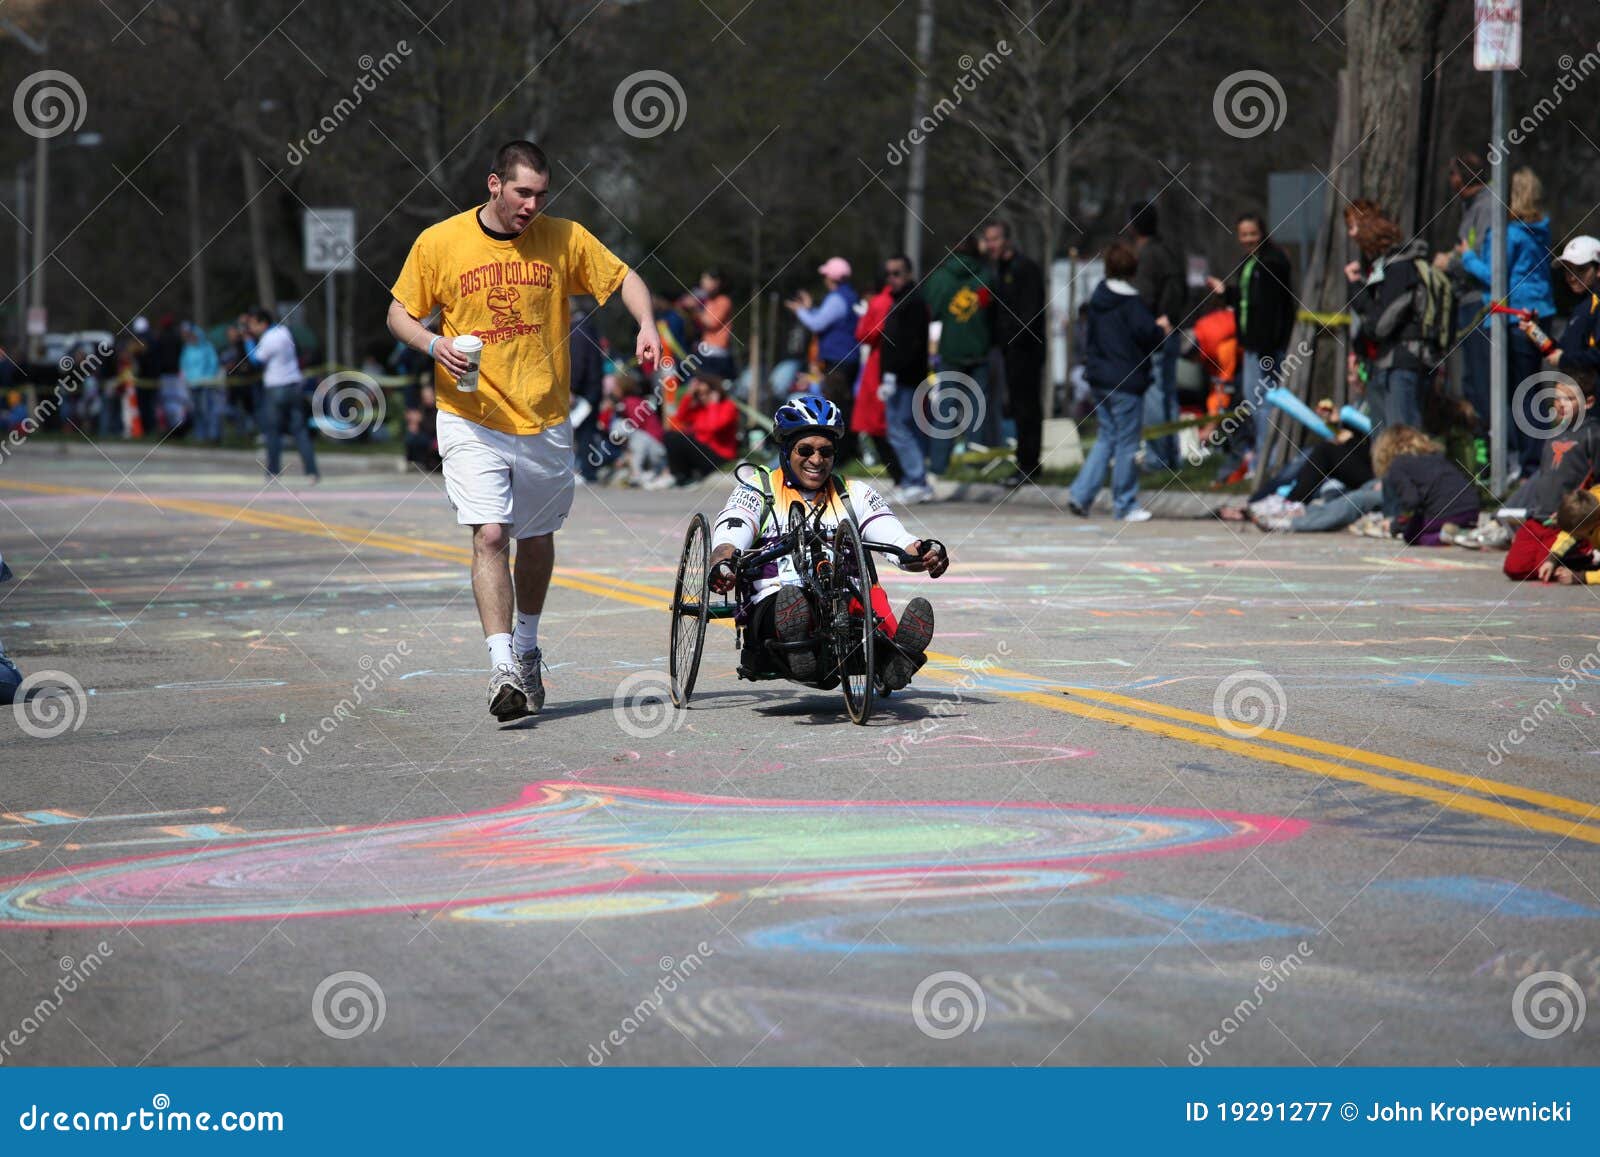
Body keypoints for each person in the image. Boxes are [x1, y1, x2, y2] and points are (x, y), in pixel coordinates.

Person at [386, 139, 662, 722]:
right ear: (494, 184)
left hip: (544, 418)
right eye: (522, 192)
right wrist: (433, 344)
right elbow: (398, 313)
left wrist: (647, 325)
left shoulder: (564, 239)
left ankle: (528, 647)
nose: (532, 205)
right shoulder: (440, 242)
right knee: (491, 534)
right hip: (470, 415)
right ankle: (502, 666)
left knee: (535, 539)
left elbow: (626, 278)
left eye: (541, 194)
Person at [706, 396, 949, 692]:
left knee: (867, 602)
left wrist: (923, 552)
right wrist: (724, 563)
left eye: (826, 451)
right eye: (805, 450)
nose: (817, 460)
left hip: (843, 601)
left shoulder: (853, 493)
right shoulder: (759, 489)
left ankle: (894, 659)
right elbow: (732, 530)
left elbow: (895, 538)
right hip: (774, 601)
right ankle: (800, 649)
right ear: (786, 449)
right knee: (792, 601)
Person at [1459, 166, 1556, 478]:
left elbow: (1493, 275)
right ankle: (1534, 460)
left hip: (1515, 320)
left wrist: (1467, 256)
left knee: (1513, 392)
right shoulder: (1542, 231)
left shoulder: (1507, 234)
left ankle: (1524, 463)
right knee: (1532, 388)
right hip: (1541, 314)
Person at [1068, 241, 1172, 521]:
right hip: (1125, 381)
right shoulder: (1132, 304)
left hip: (1099, 378)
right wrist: (1161, 329)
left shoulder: (1098, 299)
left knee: (1106, 437)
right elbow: (1149, 337)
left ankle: (1080, 495)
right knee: (1127, 443)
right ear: (1133, 270)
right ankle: (1124, 503)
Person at [1206, 213, 1295, 473]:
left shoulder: (1273, 262)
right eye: (1243, 235)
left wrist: (1272, 345)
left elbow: (1274, 308)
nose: (1248, 239)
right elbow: (1247, 300)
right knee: (1252, 400)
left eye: (1253, 234)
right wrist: (1225, 293)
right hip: (1250, 344)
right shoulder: (1248, 262)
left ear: (1263, 233)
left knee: (1265, 402)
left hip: (1268, 345)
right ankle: (1262, 456)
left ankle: (1270, 459)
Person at [1345, 201, 1431, 433]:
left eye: (1353, 226)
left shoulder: (1399, 267)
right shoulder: (1377, 268)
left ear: (1370, 227)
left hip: (1400, 366)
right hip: (1380, 366)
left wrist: (1356, 289)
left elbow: (1380, 325)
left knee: (1402, 441)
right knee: (1383, 444)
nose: (1350, 234)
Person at [979, 219, 1048, 487]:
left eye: (995, 239)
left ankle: (1029, 464)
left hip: (1026, 350)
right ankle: (1024, 462)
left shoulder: (1025, 268)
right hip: (1009, 350)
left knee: (1027, 407)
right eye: (988, 240)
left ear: (1007, 240)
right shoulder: (997, 270)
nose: (991, 245)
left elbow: (1030, 313)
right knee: (1017, 408)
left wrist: (1012, 338)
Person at [1434, 153, 1494, 453]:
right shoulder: (1468, 207)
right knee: (1470, 380)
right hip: (1466, 302)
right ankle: (1479, 448)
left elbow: (1486, 261)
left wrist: (1452, 262)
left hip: (1481, 304)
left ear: (1463, 177)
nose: (1450, 181)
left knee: (1483, 381)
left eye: (1452, 174)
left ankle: (1494, 448)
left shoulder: (1488, 206)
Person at [923, 235, 994, 474]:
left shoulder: (940, 278)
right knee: (977, 409)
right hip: (980, 350)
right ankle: (975, 464)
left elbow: (931, 312)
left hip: (950, 351)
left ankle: (938, 466)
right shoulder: (986, 276)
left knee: (945, 410)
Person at [867, 254, 933, 504]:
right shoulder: (900, 300)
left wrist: (892, 374)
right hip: (902, 376)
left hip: (907, 377)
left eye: (897, 273)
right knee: (906, 429)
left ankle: (916, 481)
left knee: (899, 430)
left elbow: (909, 345)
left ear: (908, 274)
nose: (891, 279)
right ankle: (913, 481)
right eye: (888, 274)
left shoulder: (912, 302)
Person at [1128, 202, 1186, 473]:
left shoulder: (1148, 256)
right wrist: (1173, 317)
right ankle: (1172, 457)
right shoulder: (1169, 251)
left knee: (1154, 397)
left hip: (1155, 335)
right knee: (1168, 395)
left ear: (1133, 226)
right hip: (1172, 331)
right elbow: (1182, 289)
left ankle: (1157, 459)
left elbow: (1145, 298)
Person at [787, 257, 861, 453]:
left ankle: (842, 452)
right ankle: (848, 450)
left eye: (826, 275)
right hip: (848, 358)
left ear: (832, 278)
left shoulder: (837, 298)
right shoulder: (850, 296)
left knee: (835, 407)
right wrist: (809, 309)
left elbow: (817, 324)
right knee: (845, 405)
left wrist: (800, 311)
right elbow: (826, 319)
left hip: (838, 360)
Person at [242, 306, 320, 484]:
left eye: (253, 324)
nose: (251, 328)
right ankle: (312, 472)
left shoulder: (269, 338)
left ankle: (273, 472)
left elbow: (255, 360)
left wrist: (248, 341)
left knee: (273, 431)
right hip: (294, 385)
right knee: (300, 431)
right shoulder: (284, 332)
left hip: (276, 387)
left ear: (263, 323)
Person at [1371, 424, 1480, 546]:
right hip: (1471, 509)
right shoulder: (1435, 456)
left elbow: (1411, 501)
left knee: (1410, 535)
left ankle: (1441, 537)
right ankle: (1460, 533)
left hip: (1445, 513)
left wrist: (1397, 523)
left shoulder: (1397, 465)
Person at [850, 268, 903, 488]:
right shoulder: (905, 299)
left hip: (878, 366)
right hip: (900, 366)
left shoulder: (880, 303)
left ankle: (900, 476)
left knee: (876, 425)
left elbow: (864, 334)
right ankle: (905, 476)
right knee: (896, 422)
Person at [659, 372, 738, 487]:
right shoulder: (700, 409)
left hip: (719, 456)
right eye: (699, 394)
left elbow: (714, 427)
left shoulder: (728, 406)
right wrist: (689, 395)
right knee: (671, 436)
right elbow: (680, 418)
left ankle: (684, 476)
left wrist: (713, 405)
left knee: (677, 438)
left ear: (715, 392)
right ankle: (681, 476)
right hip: (702, 452)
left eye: (706, 393)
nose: (703, 397)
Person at [1539, 236, 1600, 375]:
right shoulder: (1581, 305)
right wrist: (1535, 331)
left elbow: (1595, 356)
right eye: (1567, 270)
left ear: (1598, 269)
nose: (1572, 277)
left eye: (1580, 269)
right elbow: (1563, 350)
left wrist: (1563, 360)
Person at [569, 296, 605, 483]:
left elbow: (578, 363)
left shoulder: (577, 330)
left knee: (584, 432)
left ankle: (586, 471)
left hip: (584, 391)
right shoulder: (587, 326)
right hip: (593, 387)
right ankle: (587, 470)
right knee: (588, 431)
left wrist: (572, 388)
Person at [1535, 485, 1600, 584]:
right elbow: (1569, 534)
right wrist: (1552, 559)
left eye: (1578, 534)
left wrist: (1580, 577)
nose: (1574, 536)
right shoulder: (1587, 503)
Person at [684, 268, 735, 380]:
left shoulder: (724, 301)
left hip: (716, 353)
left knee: (710, 384)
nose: (702, 283)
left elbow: (711, 323)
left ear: (717, 282)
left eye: (706, 279)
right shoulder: (708, 300)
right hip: (704, 350)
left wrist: (695, 308)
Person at [180, 322, 223, 442]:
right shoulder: (187, 348)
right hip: (192, 384)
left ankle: (212, 434)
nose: (193, 338)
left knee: (208, 409)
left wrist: (208, 377)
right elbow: (184, 364)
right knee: (196, 410)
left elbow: (213, 363)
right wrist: (185, 378)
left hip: (206, 383)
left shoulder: (207, 347)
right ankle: (200, 435)